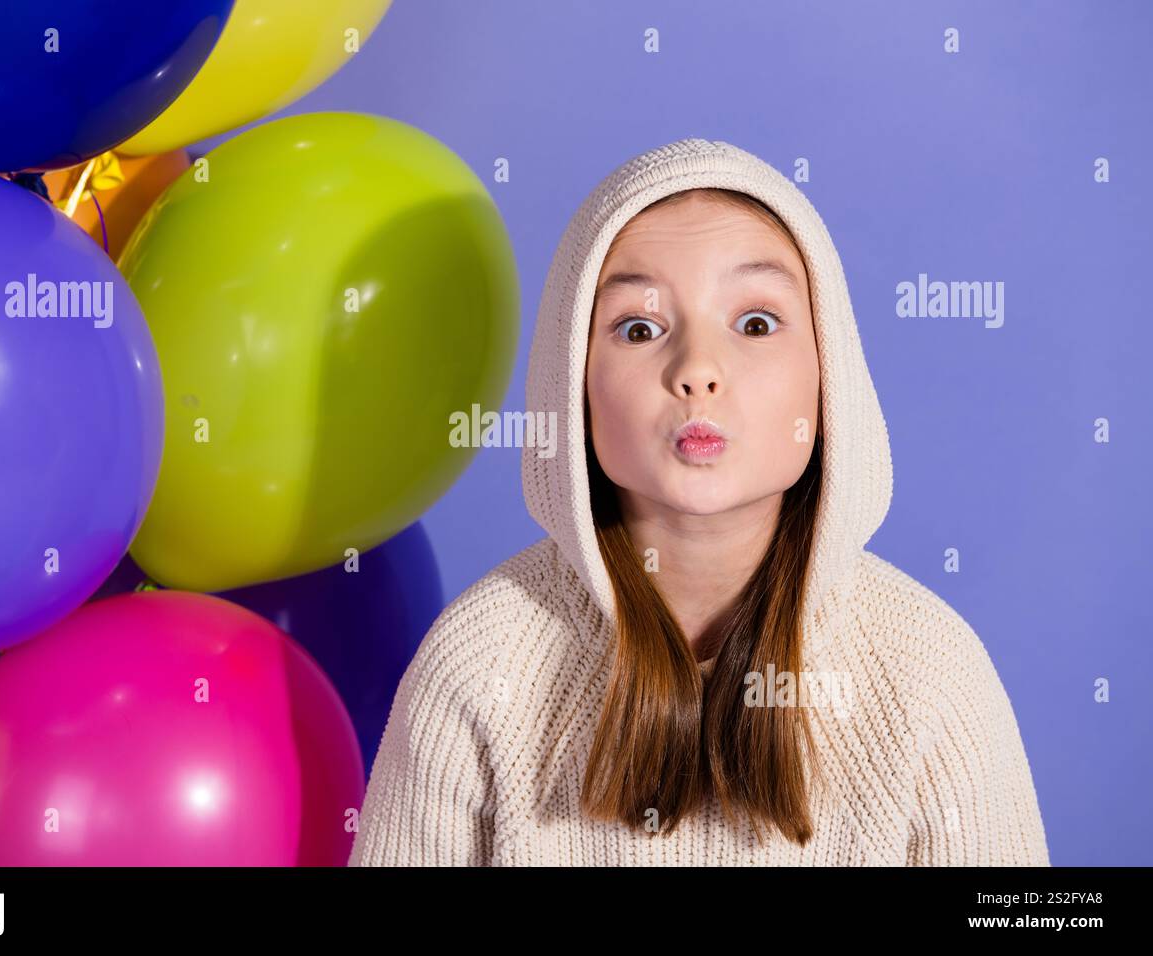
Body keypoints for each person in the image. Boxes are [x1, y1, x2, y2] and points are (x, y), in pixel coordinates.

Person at [347, 137, 1050, 866]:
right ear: (573, 382)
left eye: (755, 323)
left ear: (828, 371)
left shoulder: (931, 672)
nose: (697, 371)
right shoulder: (477, 664)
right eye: (639, 328)